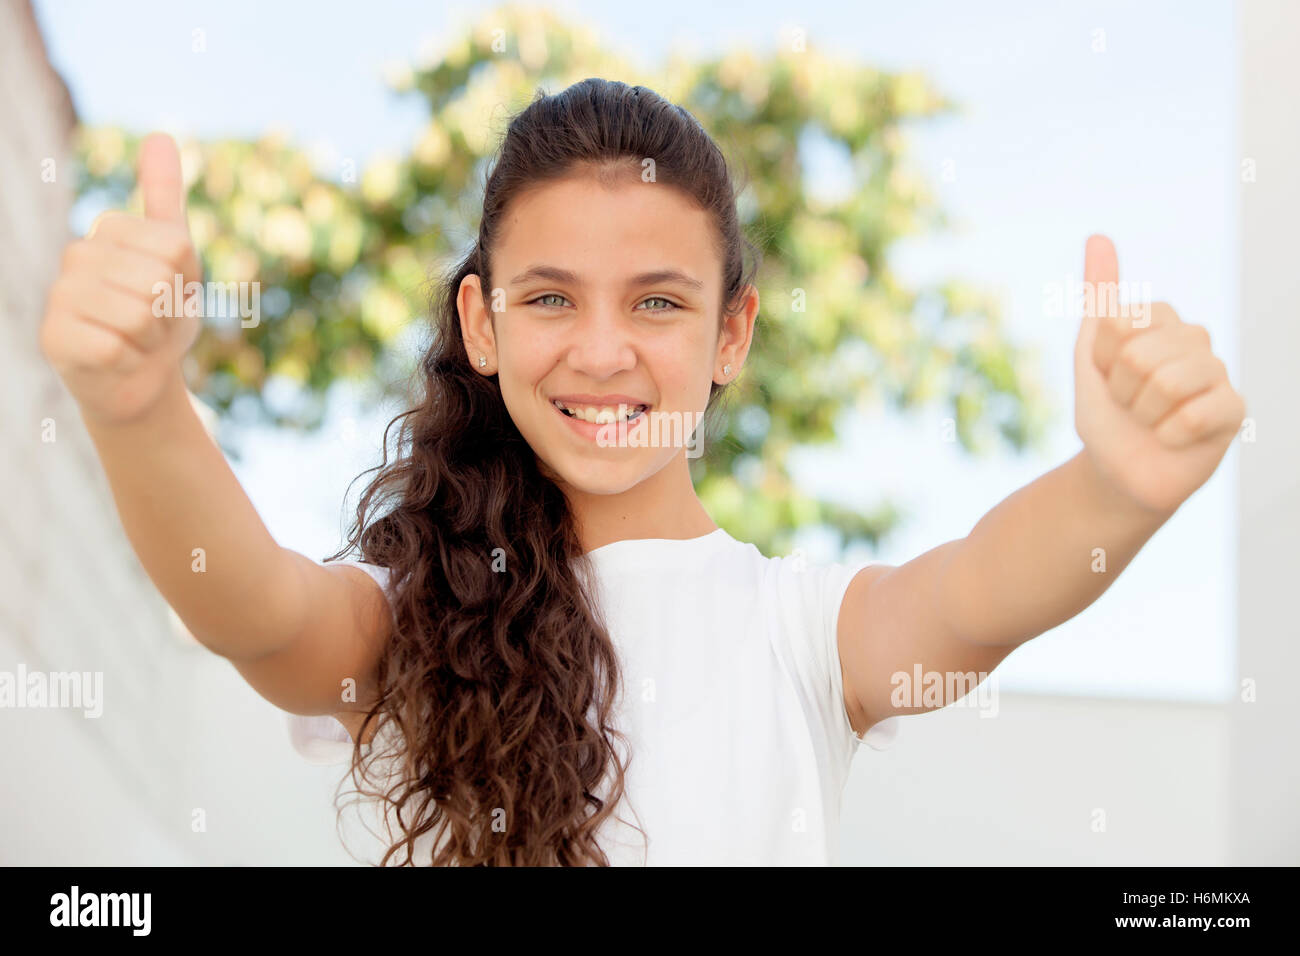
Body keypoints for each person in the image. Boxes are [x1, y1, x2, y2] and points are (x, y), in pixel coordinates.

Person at [37, 78, 1246, 866]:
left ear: (731, 333)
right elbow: (251, 605)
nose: (603, 349)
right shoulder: (415, 622)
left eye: (658, 302)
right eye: (550, 296)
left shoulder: (801, 631)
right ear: (483, 322)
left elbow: (981, 590)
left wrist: (1121, 487)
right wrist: (138, 407)